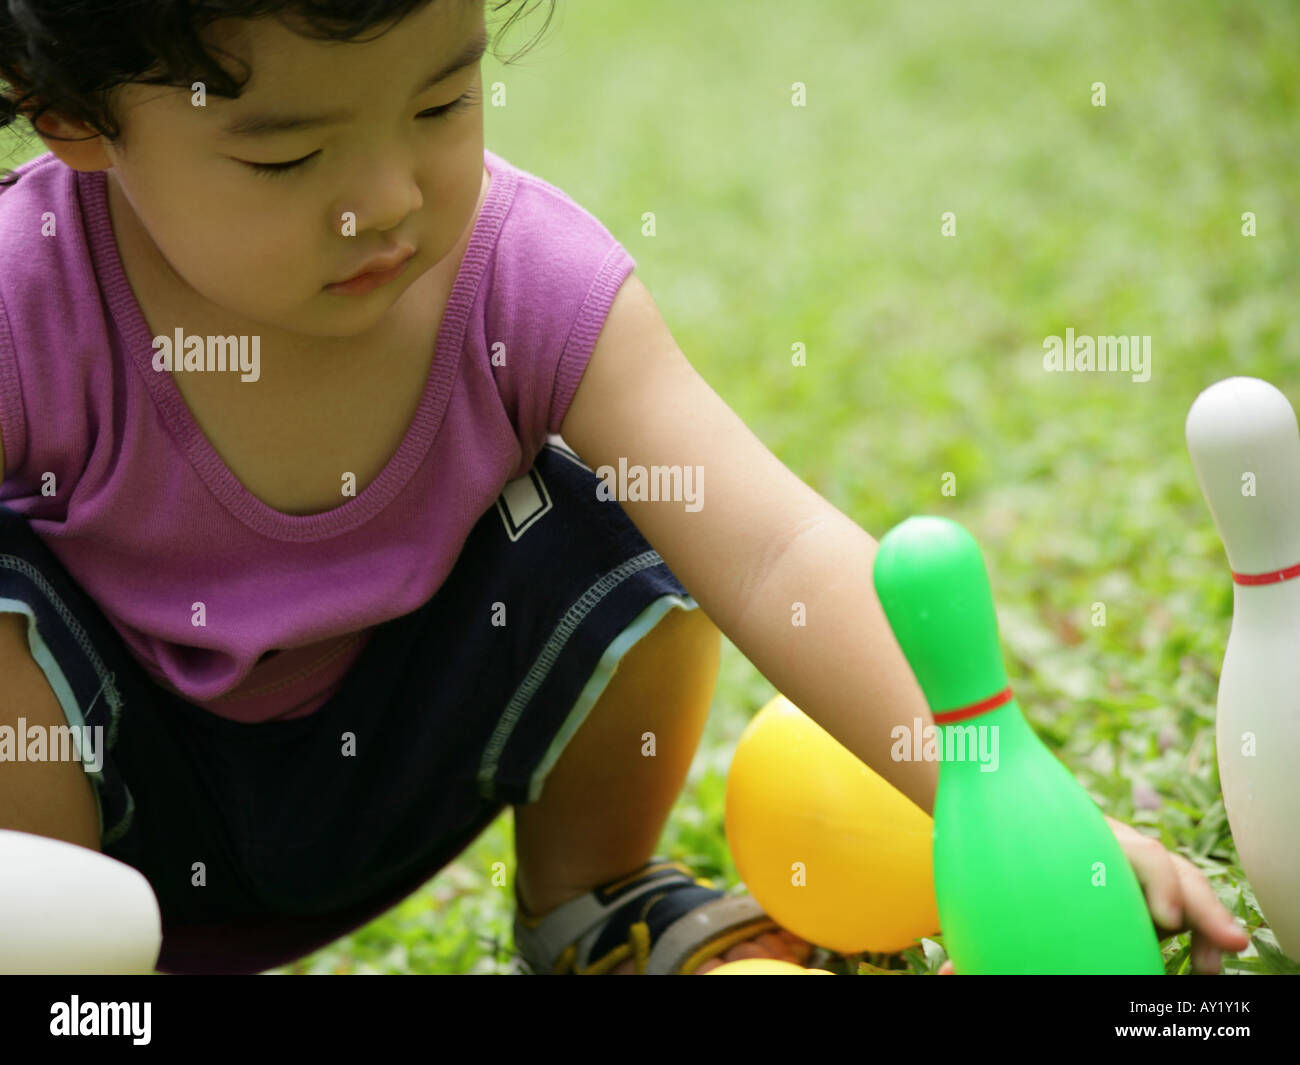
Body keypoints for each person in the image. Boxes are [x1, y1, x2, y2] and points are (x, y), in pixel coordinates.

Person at [0, 0, 1249, 974]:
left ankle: (593, 902)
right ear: (75, 118)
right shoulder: (28, 292)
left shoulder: (518, 280)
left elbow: (772, 553)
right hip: (101, 821)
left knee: (625, 507)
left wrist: (1014, 800)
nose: (387, 199)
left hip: (398, 761)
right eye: (288, 159)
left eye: (441, 104)